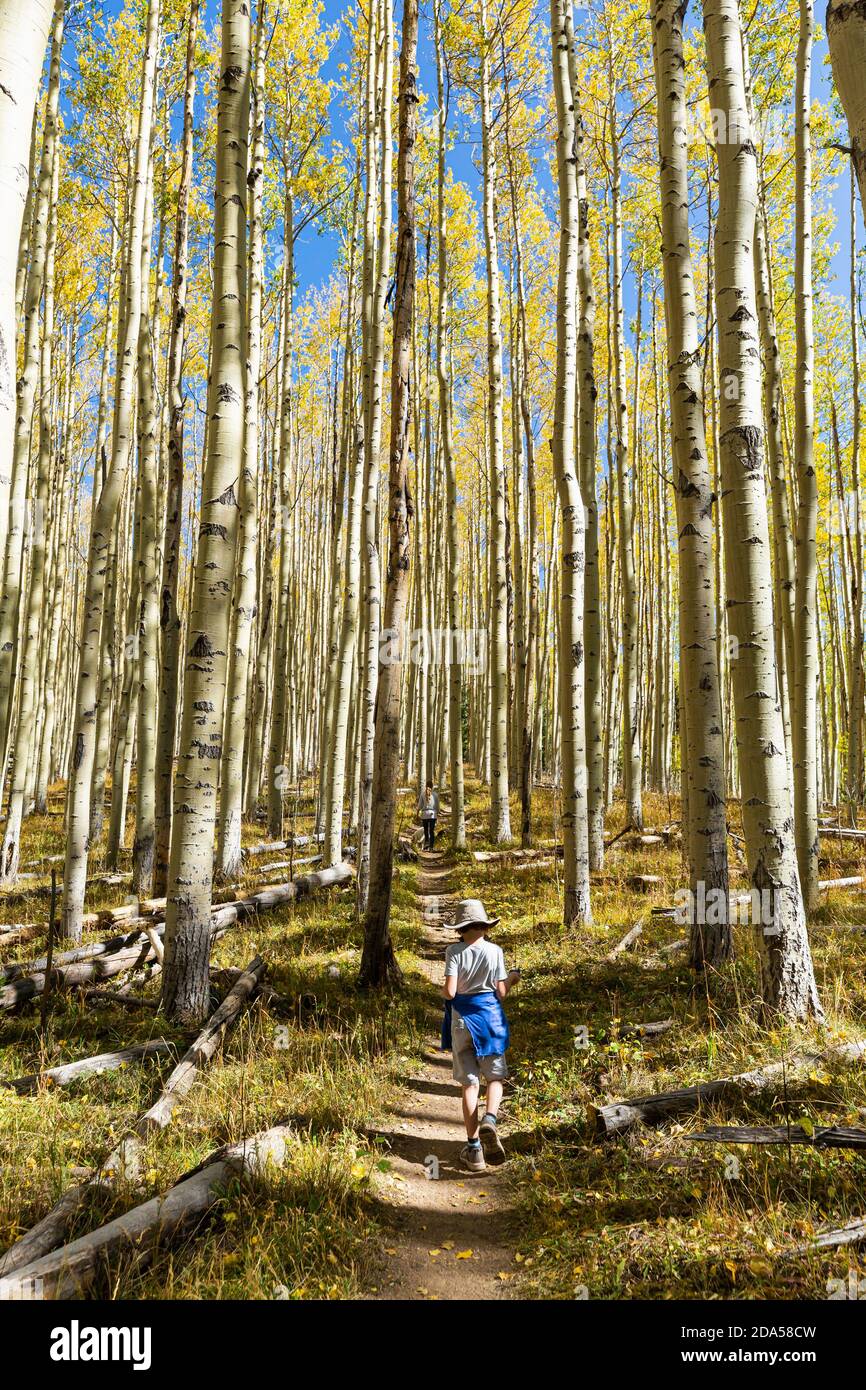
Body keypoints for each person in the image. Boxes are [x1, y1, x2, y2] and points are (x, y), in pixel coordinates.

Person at [440, 899, 520, 1172]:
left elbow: (450, 993)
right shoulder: (495, 950)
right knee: (495, 1077)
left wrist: (443, 993)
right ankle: (491, 1119)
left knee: (470, 1084)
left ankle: (474, 1150)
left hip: (463, 1020)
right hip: (491, 1020)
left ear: (460, 929)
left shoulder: (454, 951)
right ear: (486, 927)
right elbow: (501, 993)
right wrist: (512, 979)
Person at [418, 781, 439, 850]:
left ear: (426, 786)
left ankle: (426, 845)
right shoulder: (435, 795)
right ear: (432, 786)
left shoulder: (422, 794)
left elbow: (420, 806)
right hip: (433, 815)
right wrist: (437, 815)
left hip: (424, 815)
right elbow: (437, 807)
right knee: (432, 831)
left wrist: (417, 813)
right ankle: (431, 847)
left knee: (426, 830)